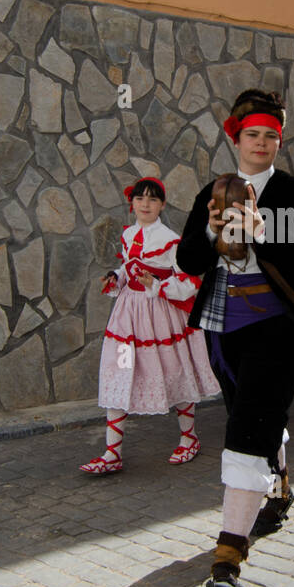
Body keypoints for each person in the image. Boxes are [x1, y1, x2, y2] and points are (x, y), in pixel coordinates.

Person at [176, 89, 294, 587]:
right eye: (252, 135)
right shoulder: (214, 190)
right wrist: (210, 228)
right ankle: (280, 484)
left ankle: (227, 556)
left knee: (245, 430)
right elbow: (189, 262)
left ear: (279, 141)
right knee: (253, 411)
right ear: (235, 137)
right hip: (222, 324)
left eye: (270, 136)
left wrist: (263, 234)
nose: (261, 143)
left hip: (279, 326)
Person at [84, 177, 220, 474]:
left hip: (160, 317)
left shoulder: (171, 240)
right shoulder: (129, 233)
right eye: (140, 198)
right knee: (119, 372)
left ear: (162, 205)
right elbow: (127, 266)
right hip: (127, 315)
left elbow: (190, 280)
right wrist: (115, 277)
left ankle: (189, 438)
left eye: (153, 199)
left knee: (173, 371)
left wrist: (158, 285)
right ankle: (112, 453)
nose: (145, 204)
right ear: (131, 203)